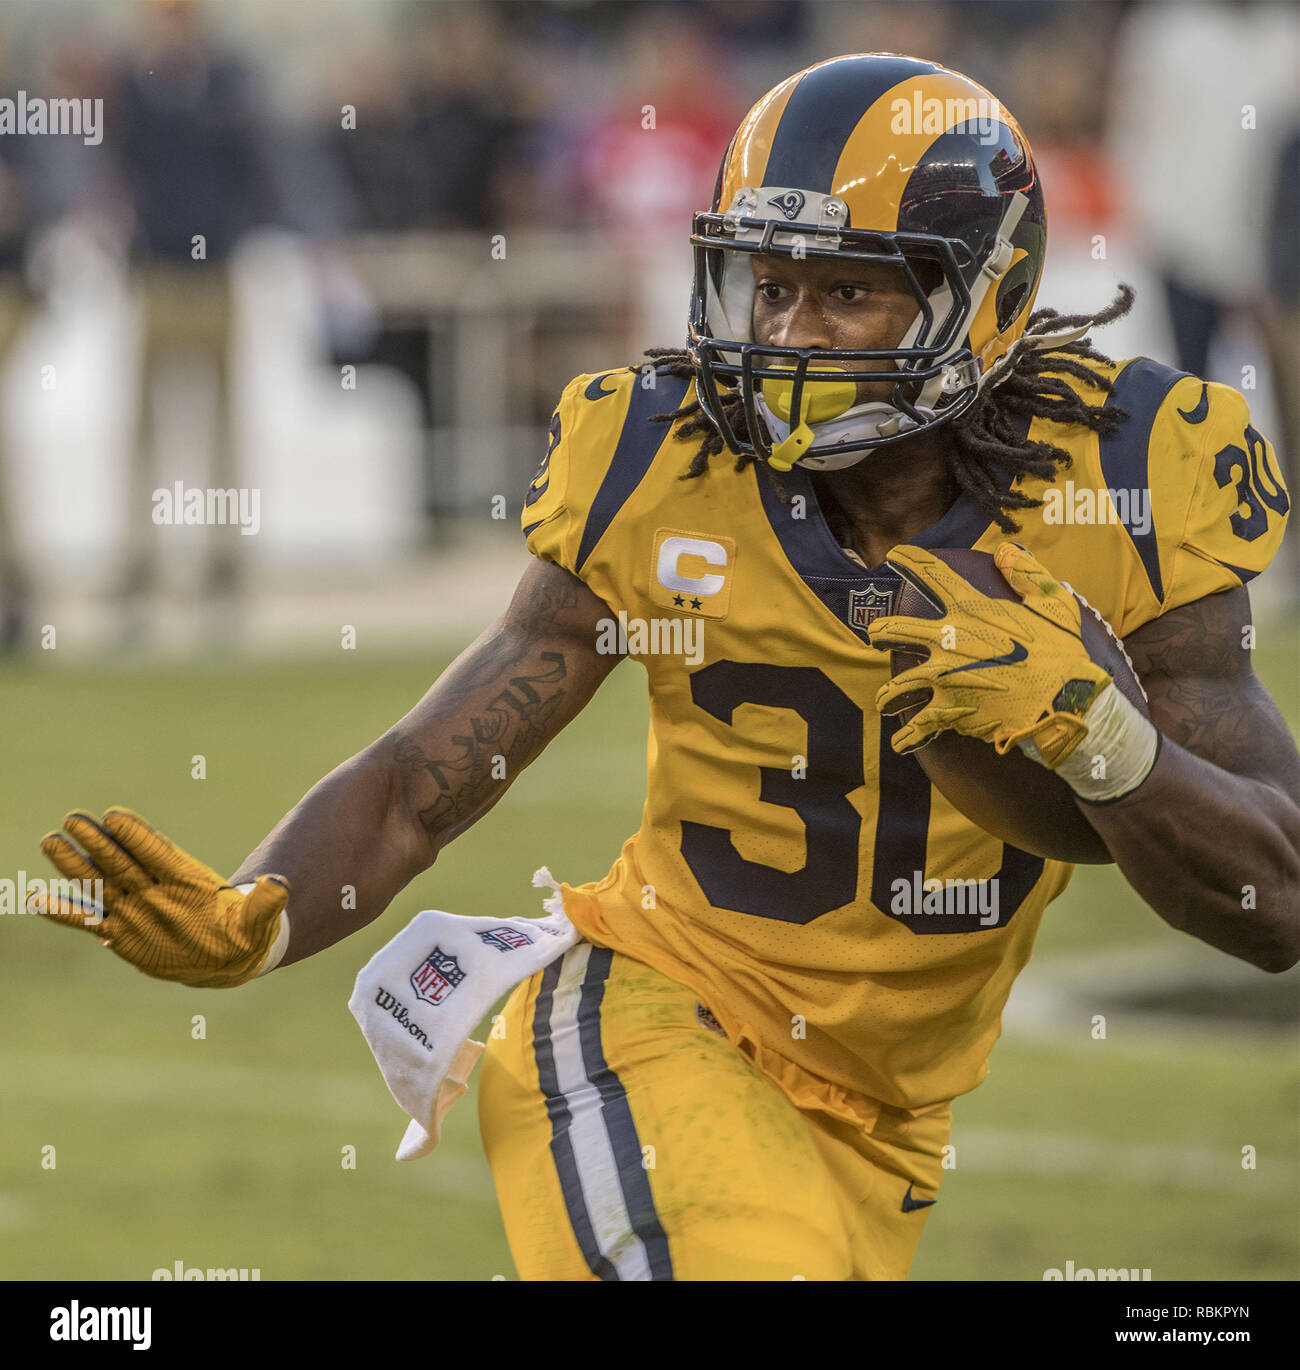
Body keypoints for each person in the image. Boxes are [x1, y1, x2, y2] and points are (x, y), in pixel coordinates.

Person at [30, 54, 1297, 1282]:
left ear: (983, 295)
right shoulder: (663, 452)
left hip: (885, 1120)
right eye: (770, 286)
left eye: (846, 292)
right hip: (647, 1018)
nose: (792, 331)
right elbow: (425, 775)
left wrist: (1100, 740)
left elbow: (1271, 904)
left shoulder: (1129, 476)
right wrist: (259, 916)